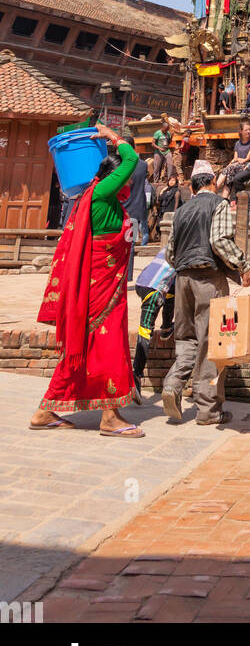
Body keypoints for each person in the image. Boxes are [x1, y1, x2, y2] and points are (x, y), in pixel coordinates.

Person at [30, 124, 144, 437]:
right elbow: (132, 159)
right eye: (127, 177)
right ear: (115, 175)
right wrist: (112, 136)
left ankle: (46, 411)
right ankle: (109, 417)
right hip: (101, 290)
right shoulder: (105, 191)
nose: (131, 181)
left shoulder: (92, 195)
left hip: (97, 286)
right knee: (106, 344)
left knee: (84, 347)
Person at [162, 159, 250, 425]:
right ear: (213, 184)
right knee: (211, 342)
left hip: (182, 279)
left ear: (192, 187)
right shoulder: (220, 204)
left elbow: (170, 253)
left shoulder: (181, 212)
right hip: (208, 279)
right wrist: (243, 264)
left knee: (186, 338)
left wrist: (184, 267)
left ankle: (173, 383)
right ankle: (208, 411)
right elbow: (219, 240)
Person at [132, 246, 175, 399]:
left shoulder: (169, 245)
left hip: (142, 282)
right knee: (145, 331)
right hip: (153, 288)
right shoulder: (185, 247)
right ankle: (136, 375)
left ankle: (166, 327)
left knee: (173, 289)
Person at [125, 150, 150, 279]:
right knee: (131, 243)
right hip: (136, 208)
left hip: (123, 208)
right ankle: (128, 275)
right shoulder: (143, 164)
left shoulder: (121, 164)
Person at [217, 119, 250, 198]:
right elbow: (235, 158)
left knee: (230, 169)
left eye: (249, 130)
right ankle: (224, 199)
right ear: (241, 131)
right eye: (246, 130)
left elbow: (248, 158)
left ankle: (214, 189)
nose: (248, 131)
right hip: (236, 165)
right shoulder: (238, 143)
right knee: (228, 172)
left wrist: (239, 161)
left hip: (247, 165)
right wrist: (231, 164)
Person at [151, 116, 175, 185]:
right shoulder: (157, 133)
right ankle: (155, 181)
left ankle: (169, 180)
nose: (166, 131)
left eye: (167, 130)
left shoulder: (168, 133)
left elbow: (169, 141)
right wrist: (159, 148)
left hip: (167, 151)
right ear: (163, 128)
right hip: (159, 152)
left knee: (170, 164)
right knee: (157, 167)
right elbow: (152, 143)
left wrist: (172, 137)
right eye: (165, 130)